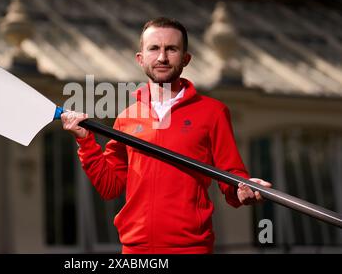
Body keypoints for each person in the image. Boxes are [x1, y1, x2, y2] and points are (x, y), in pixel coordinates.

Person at [61, 17, 271, 254]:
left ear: (185, 58)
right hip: (134, 251)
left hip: (191, 249)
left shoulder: (213, 112)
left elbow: (231, 177)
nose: (162, 57)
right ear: (140, 59)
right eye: (154, 48)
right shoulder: (128, 117)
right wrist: (85, 141)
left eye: (171, 49)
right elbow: (110, 187)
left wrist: (243, 189)